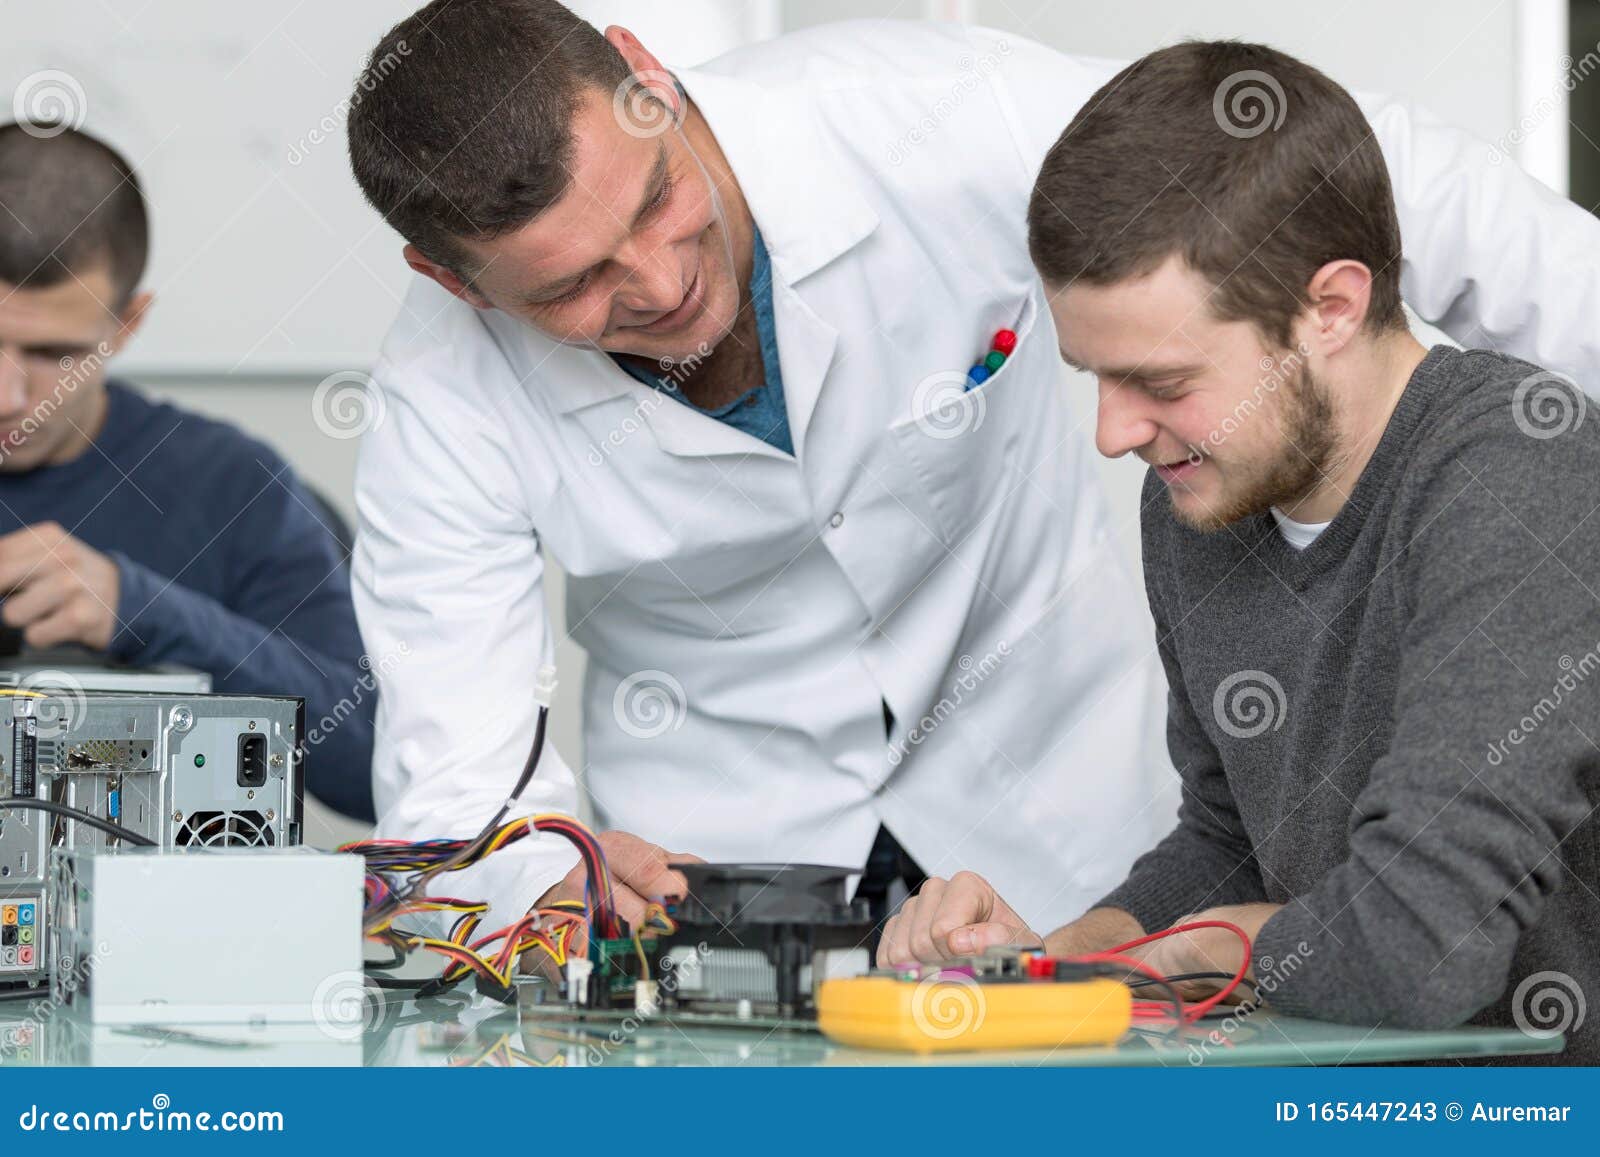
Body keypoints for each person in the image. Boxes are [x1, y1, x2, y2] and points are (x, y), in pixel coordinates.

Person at [346, 0, 1600, 932]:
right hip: (723, 857)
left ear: (647, 75)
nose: (662, 282)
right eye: (575, 284)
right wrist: (544, 876)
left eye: (656, 201)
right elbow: (461, 792)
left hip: (1068, 815)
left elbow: (1358, 176)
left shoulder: (921, 111)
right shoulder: (438, 398)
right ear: (454, 282)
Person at [877, 41, 1600, 1062]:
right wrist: (1052, 960)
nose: (1114, 433)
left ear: (1331, 309)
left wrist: (1207, 951)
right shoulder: (1198, 497)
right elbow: (1231, 843)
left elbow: (1417, 950)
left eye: (1163, 383)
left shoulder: (1522, 472)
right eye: (1094, 376)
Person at [0, 122, 376, 821]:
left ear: (127, 323)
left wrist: (140, 608)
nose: (8, 396)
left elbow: (371, 766)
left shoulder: (234, 488)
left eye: (54, 353)